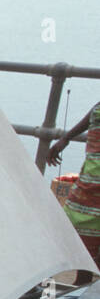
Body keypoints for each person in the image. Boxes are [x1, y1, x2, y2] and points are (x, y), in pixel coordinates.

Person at [47, 101, 100, 283]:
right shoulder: (98, 107)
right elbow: (91, 117)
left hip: (91, 187)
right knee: (72, 232)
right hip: (88, 185)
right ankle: (82, 282)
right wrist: (65, 139)